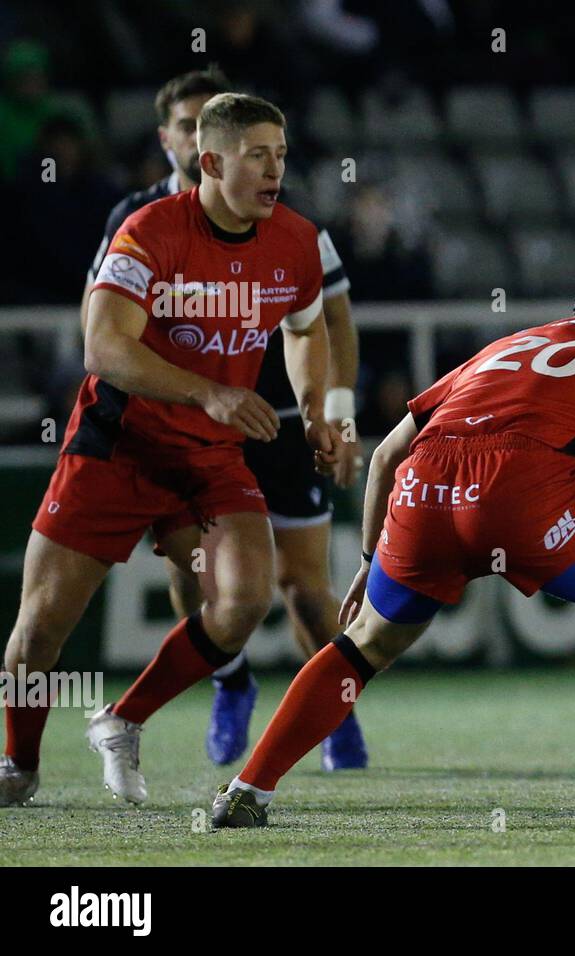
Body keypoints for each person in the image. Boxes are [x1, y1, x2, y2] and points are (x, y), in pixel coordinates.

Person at [210, 262, 575, 827]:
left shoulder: (505, 347)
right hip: (525, 490)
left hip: (422, 487)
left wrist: (369, 559)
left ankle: (248, 788)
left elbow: (386, 455)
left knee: (362, 646)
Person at [0, 92, 340, 807]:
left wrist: (316, 409)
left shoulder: (297, 241)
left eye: (280, 153)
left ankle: (121, 719)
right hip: (118, 445)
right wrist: (207, 392)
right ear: (210, 162)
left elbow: (308, 328)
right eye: (258, 154)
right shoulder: (150, 230)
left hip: (210, 457)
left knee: (244, 602)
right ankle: (19, 764)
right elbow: (102, 346)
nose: (275, 168)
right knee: (38, 632)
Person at [79, 67, 366, 771]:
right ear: (182, 141)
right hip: (179, 423)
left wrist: (336, 413)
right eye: (186, 121)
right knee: (195, 569)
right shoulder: (137, 221)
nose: (270, 164)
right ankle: (229, 681)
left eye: (277, 152)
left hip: (282, 416)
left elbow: (329, 320)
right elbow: (102, 328)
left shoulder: (290, 227)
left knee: (303, 582)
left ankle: (331, 714)